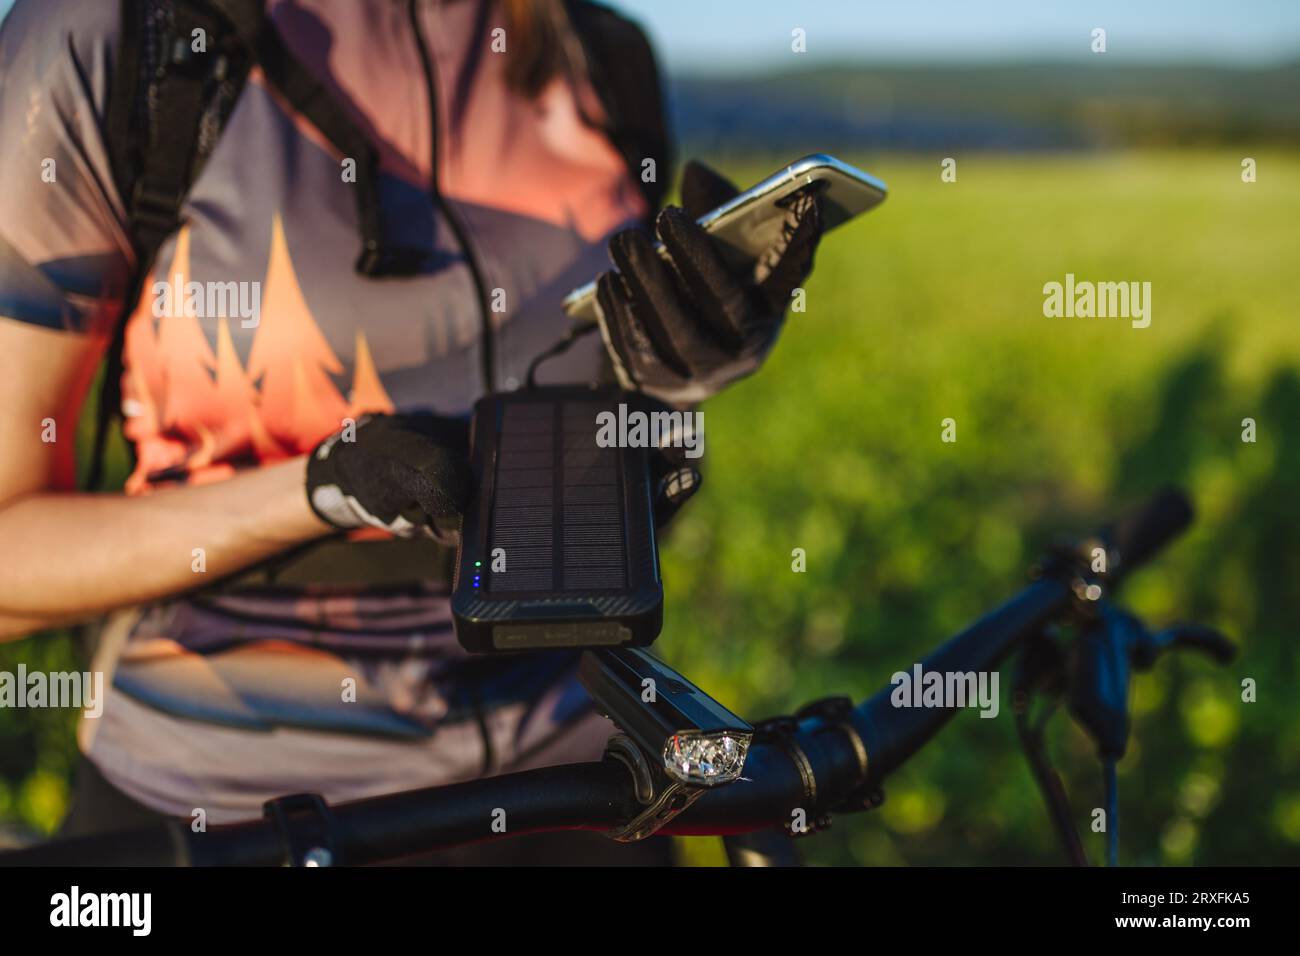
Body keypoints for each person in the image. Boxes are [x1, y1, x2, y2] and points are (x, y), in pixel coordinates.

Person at [0, 0, 821, 864]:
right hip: (233, 802)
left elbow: (618, 475)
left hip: (581, 782)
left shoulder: (599, 53)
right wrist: (317, 488)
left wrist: (679, 379)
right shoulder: (126, 36)